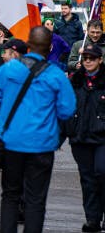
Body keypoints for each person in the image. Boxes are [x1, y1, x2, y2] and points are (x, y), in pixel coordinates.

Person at [0, 26, 76, 233]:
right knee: (35, 199)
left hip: (11, 142)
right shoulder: (56, 75)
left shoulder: (9, 70)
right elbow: (67, 110)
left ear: (28, 45)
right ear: (50, 47)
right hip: (41, 144)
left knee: (10, 195)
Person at [65, 43, 105, 232]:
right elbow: (65, 110)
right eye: (85, 58)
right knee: (87, 180)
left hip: (102, 137)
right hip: (80, 137)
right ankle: (92, 219)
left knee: (102, 173)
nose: (88, 61)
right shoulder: (74, 81)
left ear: (100, 60)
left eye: (92, 58)